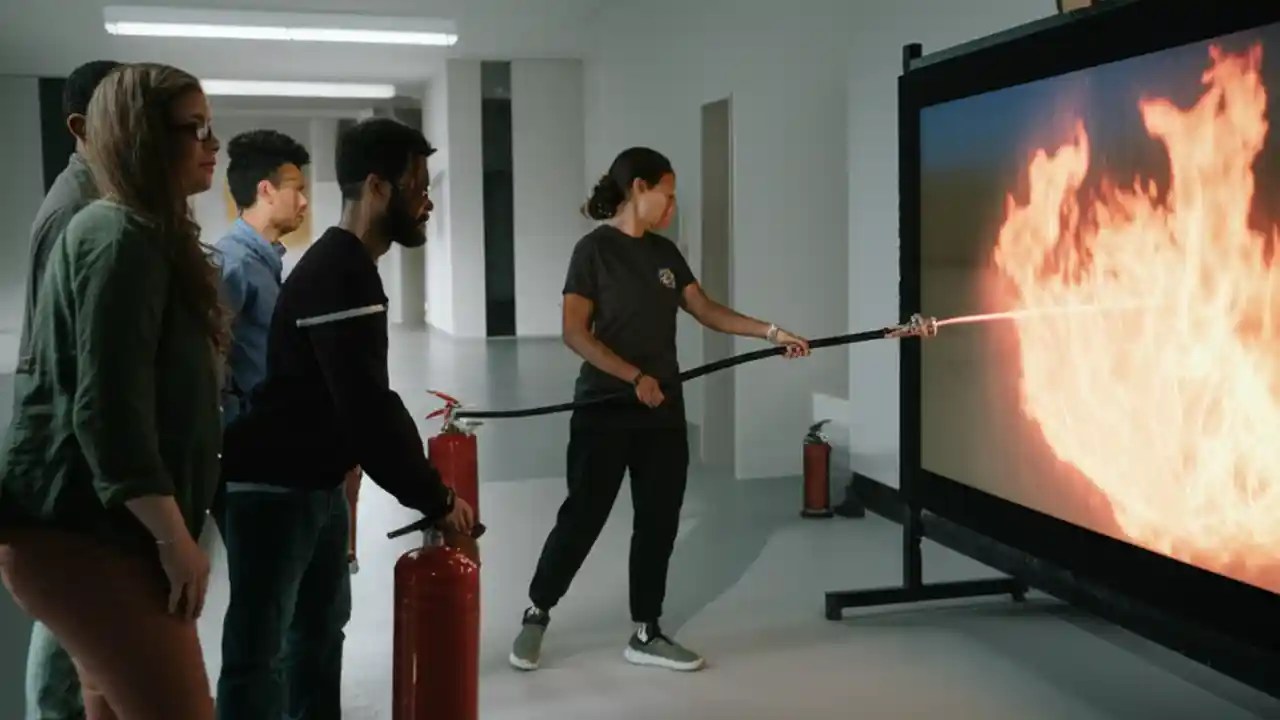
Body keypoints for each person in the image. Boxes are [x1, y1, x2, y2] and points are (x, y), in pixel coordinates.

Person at [510, 147, 810, 673]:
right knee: (584, 516)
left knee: (658, 521)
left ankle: (646, 630)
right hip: (604, 408)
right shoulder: (593, 251)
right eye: (667, 196)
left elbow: (705, 309)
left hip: (661, 411)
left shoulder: (665, 254)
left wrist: (770, 332)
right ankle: (538, 611)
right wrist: (634, 377)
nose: (672, 206)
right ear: (639, 189)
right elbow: (574, 333)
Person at [215, 116, 475, 720]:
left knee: (317, 633)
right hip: (272, 492)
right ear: (378, 188)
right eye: (418, 186)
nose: (427, 202)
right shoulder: (340, 272)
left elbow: (366, 400)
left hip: (316, 483)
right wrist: (435, 497)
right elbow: (368, 410)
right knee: (259, 654)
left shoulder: (349, 267)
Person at [0, 62, 225, 720]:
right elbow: (108, 410)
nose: (213, 144)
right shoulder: (118, 234)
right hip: (90, 537)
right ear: (143, 135)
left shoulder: (148, 231)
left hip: (106, 532)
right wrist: (174, 541)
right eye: (194, 128)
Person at [11, 57, 120, 720]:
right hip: (65, 438)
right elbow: (71, 352)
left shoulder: (99, 197)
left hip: (77, 434)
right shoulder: (75, 209)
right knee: (65, 608)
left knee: (80, 606)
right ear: (81, 126)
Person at [207, 129, 312, 534]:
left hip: (275, 445)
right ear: (266, 190)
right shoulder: (233, 264)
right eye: (296, 189)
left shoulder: (264, 261)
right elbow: (211, 365)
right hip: (251, 461)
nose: (303, 201)